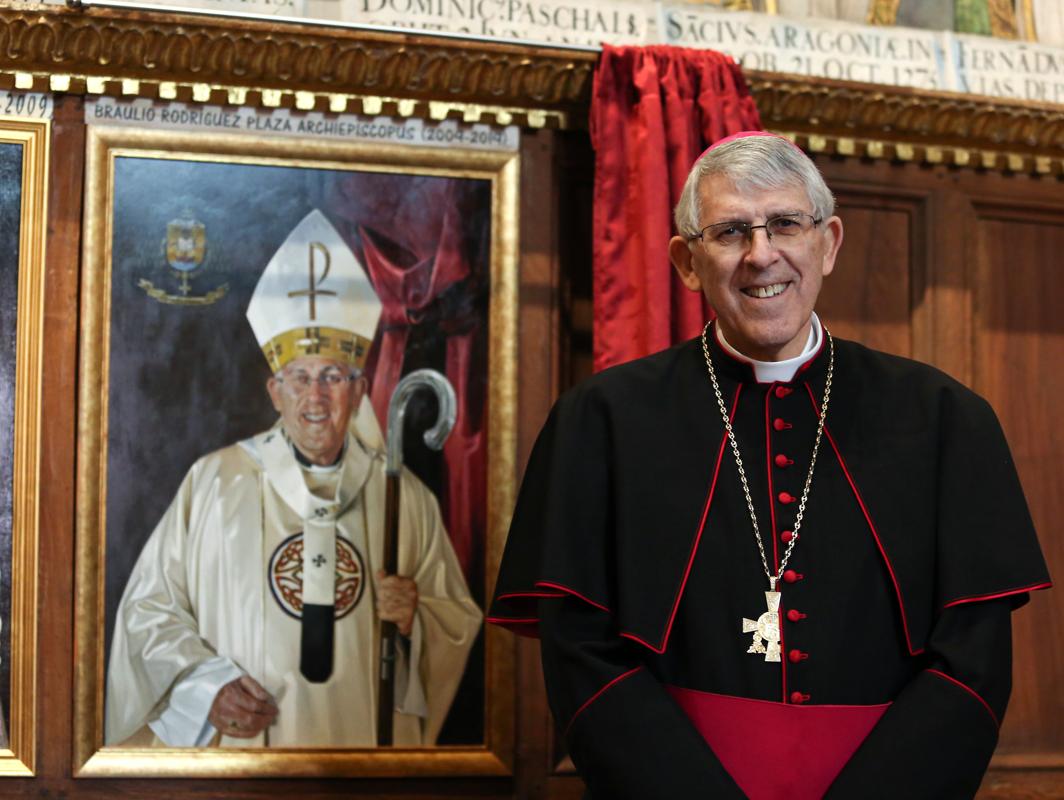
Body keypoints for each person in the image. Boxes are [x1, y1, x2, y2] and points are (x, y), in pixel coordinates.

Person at [488, 132, 1050, 798]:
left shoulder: (946, 420)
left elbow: (973, 662)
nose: (761, 255)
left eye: (786, 224)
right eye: (730, 232)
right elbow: (580, 654)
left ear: (828, 243)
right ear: (687, 262)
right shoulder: (601, 421)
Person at [106, 209, 482, 748]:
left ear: (359, 392)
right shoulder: (215, 484)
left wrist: (413, 623)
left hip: (360, 760)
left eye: (333, 377)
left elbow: (454, 622)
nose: (316, 397)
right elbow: (148, 612)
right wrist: (204, 688)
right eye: (300, 378)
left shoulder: (405, 499)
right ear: (275, 392)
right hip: (243, 761)